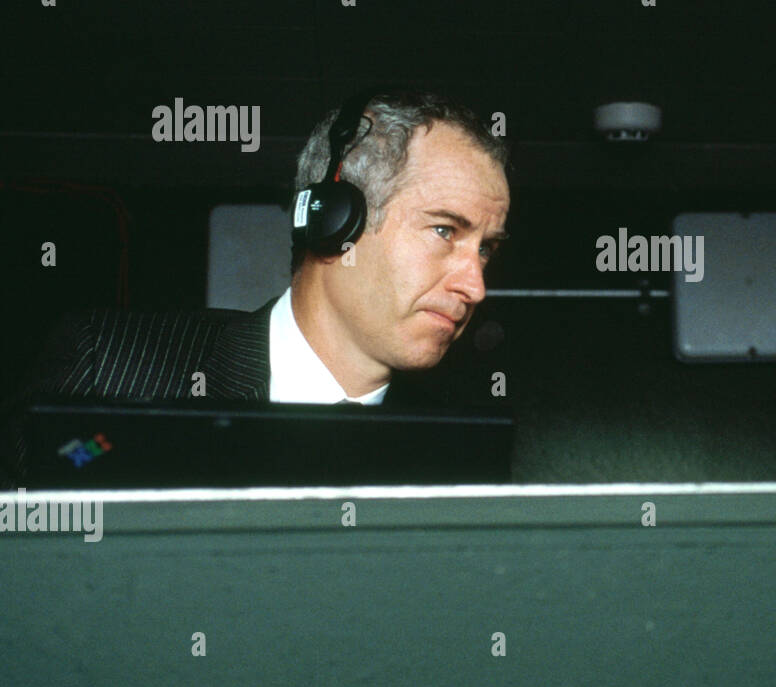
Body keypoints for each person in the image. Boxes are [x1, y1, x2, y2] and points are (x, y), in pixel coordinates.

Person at [1, 88, 510, 486]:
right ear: (335, 221)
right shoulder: (110, 368)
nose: (476, 286)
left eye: (485, 249)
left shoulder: (456, 453)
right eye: (445, 231)